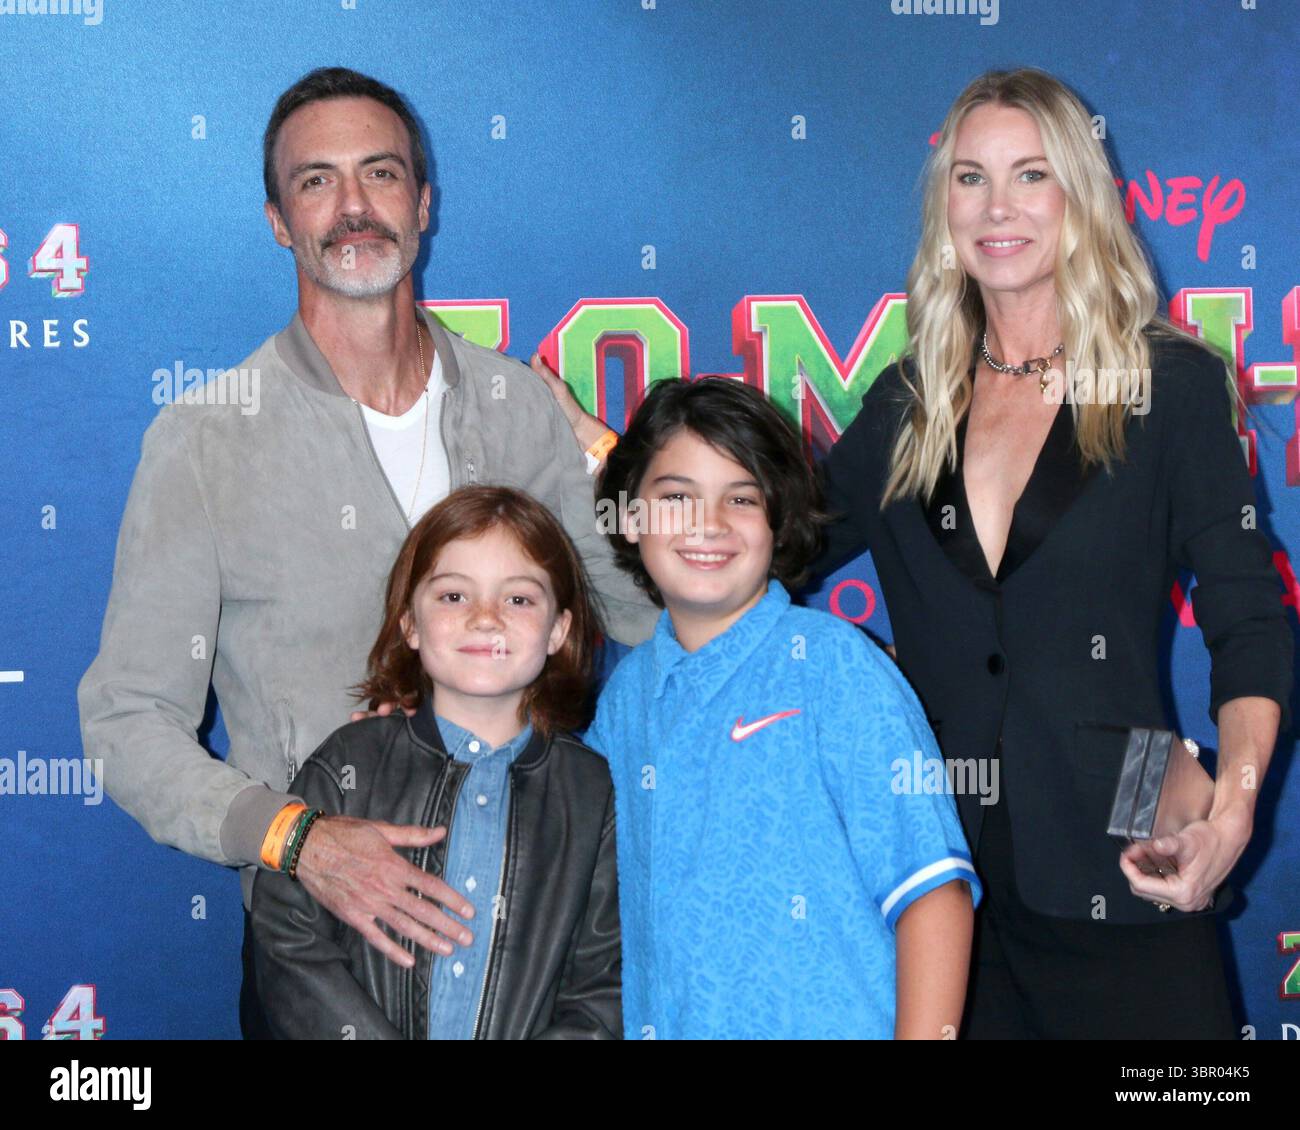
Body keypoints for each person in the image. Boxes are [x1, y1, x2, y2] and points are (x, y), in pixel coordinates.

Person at [77, 67, 656, 1038]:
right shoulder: (205, 439)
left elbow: (640, 612)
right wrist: (299, 839)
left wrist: (599, 450)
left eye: (380, 174)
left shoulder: (521, 407)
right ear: (276, 219)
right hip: (324, 953)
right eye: (317, 181)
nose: (353, 206)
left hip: (537, 947)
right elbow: (129, 721)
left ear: (423, 204)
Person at [811, 69, 1292, 1038]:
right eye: (970, 178)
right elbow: (759, 552)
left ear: (1079, 195)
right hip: (940, 881)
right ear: (941, 203)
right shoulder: (907, 402)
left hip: (1133, 848)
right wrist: (613, 465)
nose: (997, 207)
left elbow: (1250, 615)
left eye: (1030, 175)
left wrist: (1229, 809)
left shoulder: (1168, 383)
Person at [583, 377, 980, 1039]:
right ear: (630, 518)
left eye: (742, 498)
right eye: (677, 497)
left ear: (778, 520)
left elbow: (933, 895)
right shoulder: (624, 705)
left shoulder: (835, 667)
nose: (708, 524)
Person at [251, 486, 620, 1039]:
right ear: (410, 625)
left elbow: (601, 984)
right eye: (453, 597)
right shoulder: (349, 761)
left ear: (559, 631)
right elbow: (287, 938)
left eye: (519, 599)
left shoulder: (592, 793)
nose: (486, 619)